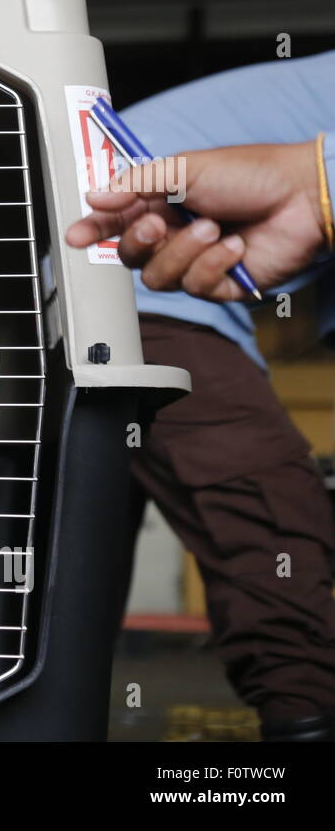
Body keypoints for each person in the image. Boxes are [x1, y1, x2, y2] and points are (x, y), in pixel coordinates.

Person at [69, 51, 335, 740]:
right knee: (270, 505)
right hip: (122, 274)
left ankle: (52, 714)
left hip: (81, 282)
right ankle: (308, 719)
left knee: (78, 545)